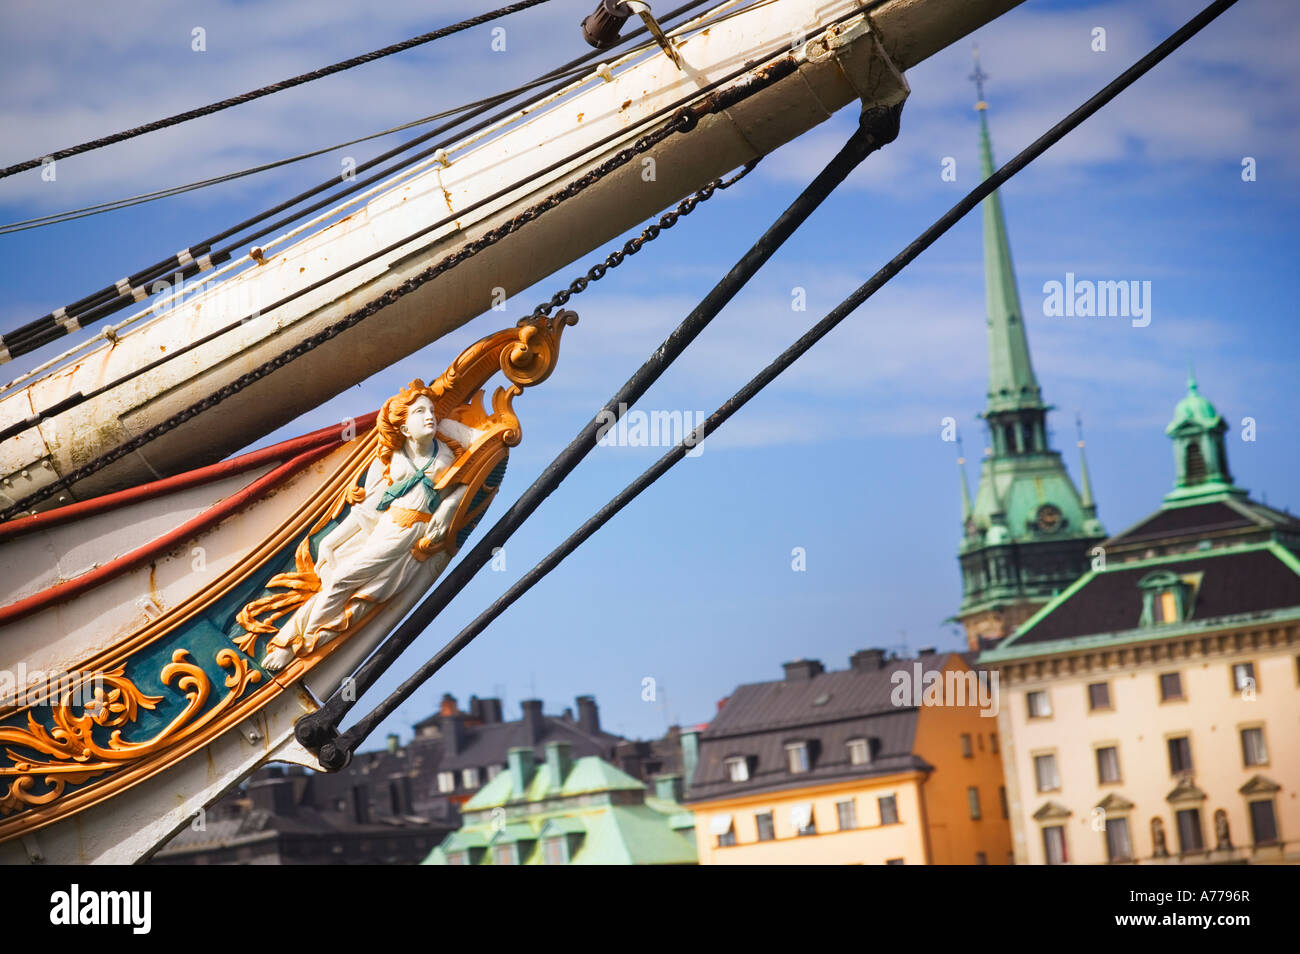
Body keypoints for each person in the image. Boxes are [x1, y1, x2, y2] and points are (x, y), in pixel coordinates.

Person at [261, 380, 483, 672]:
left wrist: (449, 505)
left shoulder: (446, 457)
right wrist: (331, 541)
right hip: (389, 528)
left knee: (363, 593)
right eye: (419, 412)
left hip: (414, 537)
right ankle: (295, 643)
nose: (429, 416)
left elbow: (468, 484)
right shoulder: (390, 462)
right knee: (345, 583)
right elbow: (368, 511)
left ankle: (299, 644)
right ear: (404, 428)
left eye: (431, 410)